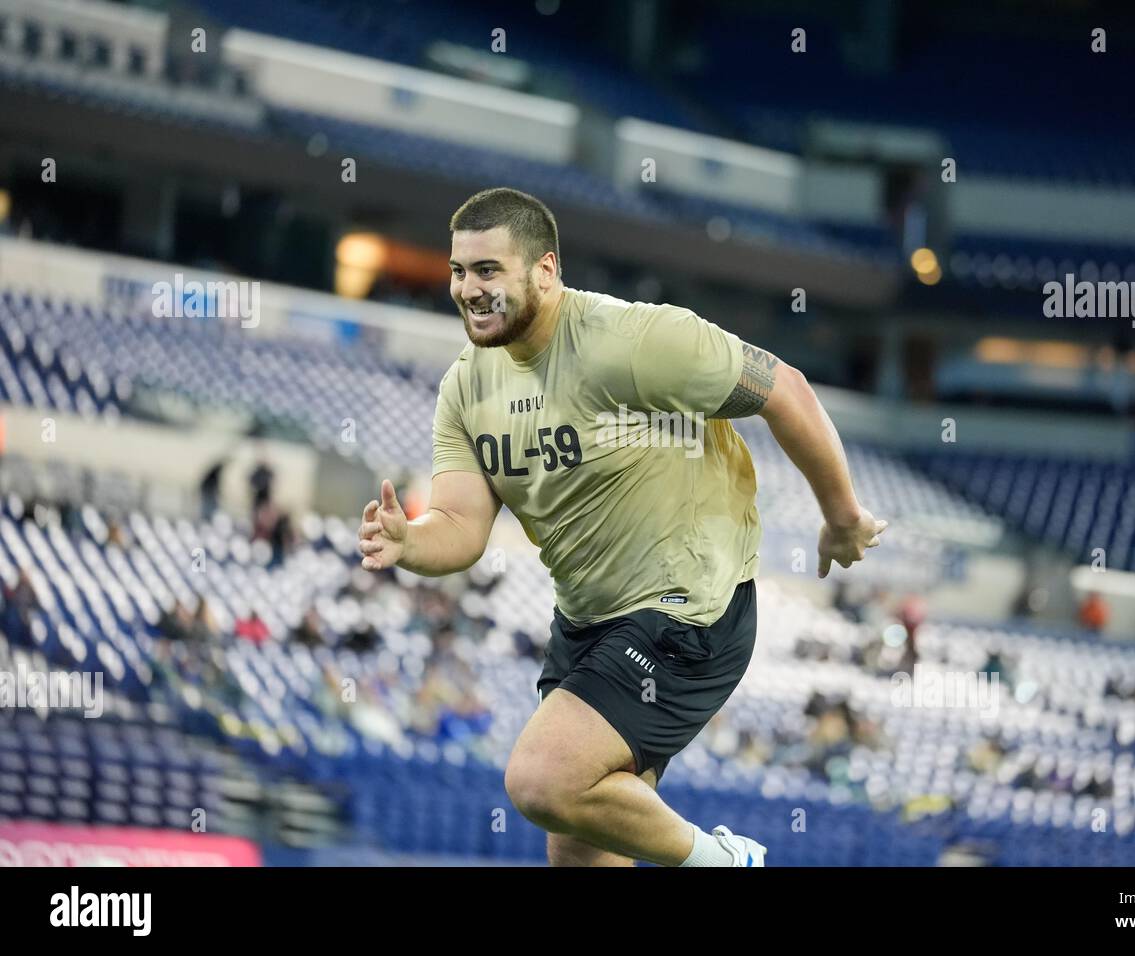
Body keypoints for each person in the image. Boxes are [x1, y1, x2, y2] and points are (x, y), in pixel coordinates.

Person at [356, 187, 889, 867]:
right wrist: (409, 542)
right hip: (586, 623)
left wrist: (841, 517)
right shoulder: (466, 386)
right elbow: (460, 526)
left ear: (544, 271)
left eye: (488, 270)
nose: (467, 288)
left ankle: (729, 864)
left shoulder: (633, 340)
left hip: (689, 611)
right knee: (579, 849)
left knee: (542, 778)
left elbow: (785, 389)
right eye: (459, 270)